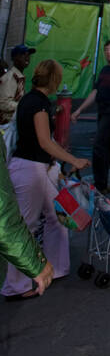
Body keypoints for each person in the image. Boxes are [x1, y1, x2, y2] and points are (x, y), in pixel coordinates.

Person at [2, 58, 88, 299]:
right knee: (27, 225)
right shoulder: (38, 104)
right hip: (31, 168)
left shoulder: (31, 100)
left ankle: (56, 269)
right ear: (54, 79)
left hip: (37, 167)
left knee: (57, 217)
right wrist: (73, 161)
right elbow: (45, 141)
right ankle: (14, 286)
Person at [71, 39, 110, 193]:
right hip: (103, 110)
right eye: (106, 49)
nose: (108, 52)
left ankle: (100, 185)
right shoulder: (105, 70)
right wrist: (79, 110)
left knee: (99, 146)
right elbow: (95, 92)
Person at [0, 139, 54, 296]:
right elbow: (3, 219)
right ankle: (15, 287)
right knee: (30, 223)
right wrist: (35, 262)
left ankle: (16, 286)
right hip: (30, 169)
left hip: (28, 167)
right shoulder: (39, 112)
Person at [1, 45, 36, 125]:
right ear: (14, 58)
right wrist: (24, 105)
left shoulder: (19, 77)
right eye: (23, 54)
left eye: (28, 55)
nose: (27, 57)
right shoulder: (10, 78)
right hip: (6, 126)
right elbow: (4, 103)